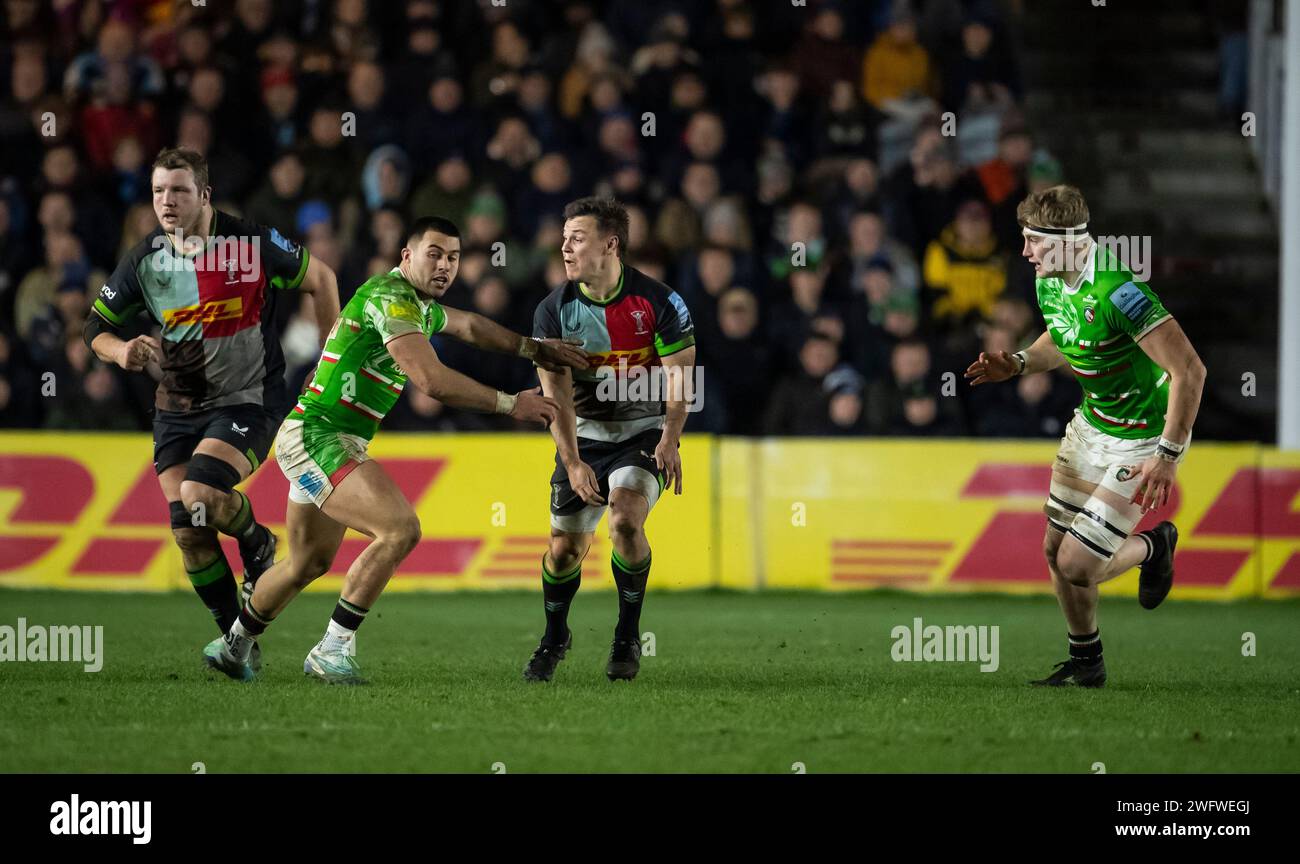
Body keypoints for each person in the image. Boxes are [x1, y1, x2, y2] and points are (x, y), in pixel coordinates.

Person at [202, 217, 587, 683]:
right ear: (406, 257)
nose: (445, 265)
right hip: (319, 436)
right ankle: (332, 649)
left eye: (453, 257)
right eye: (434, 254)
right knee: (400, 530)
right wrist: (511, 403)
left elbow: (469, 327)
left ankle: (233, 645)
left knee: (308, 562)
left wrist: (533, 348)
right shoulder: (392, 300)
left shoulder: (419, 305)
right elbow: (431, 381)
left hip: (321, 434)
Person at [85, 147, 340, 660]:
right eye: (158, 191)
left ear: (204, 194)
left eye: (178, 190)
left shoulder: (251, 242)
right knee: (190, 534)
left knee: (200, 492)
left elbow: (323, 280)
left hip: (249, 401)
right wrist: (121, 350)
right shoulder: (145, 259)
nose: (166, 201)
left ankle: (257, 543)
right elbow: (97, 327)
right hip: (177, 407)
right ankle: (236, 642)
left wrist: (328, 359)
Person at [964, 185, 1206, 687]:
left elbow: (1190, 370)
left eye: (1033, 240)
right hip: (1090, 427)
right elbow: (1065, 335)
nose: (1025, 251)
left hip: (1141, 440)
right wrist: (1022, 363)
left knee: (1078, 563)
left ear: (1069, 241)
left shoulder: (1120, 292)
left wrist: (1168, 455)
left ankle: (1154, 548)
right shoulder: (1050, 279)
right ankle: (1086, 660)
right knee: (1055, 550)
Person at [523, 197, 696, 683]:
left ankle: (626, 634)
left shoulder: (660, 303)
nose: (565, 248)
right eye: (563, 239)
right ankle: (556, 635)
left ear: (610, 244)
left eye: (577, 238)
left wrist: (669, 438)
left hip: (641, 433)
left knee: (624, 518)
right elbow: (554, 396)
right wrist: (573, 462)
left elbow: (681, 380)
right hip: (582, 438)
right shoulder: (553, 311)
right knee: (563, 552)